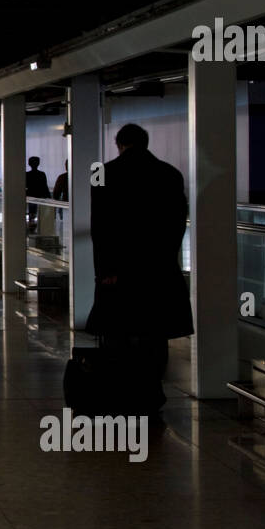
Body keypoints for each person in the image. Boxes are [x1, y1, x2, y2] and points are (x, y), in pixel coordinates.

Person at [85, 123, 193, 416]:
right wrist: (167, 259)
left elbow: (101, 227)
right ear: (145, 143)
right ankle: (151, 393)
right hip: (158, 270)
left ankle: (121, 391)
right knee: (155, 333)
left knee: (117, 331)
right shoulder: (170, 174)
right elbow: (176, 223)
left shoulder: (103, 173)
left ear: (119, 144)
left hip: (119, 270)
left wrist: (104, 270)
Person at [26, 156, 49, 226]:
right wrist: (48, 197)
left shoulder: (27, 174)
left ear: (29, 163)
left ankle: (32, 225)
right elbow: (45, 186)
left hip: (30, 196)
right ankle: (39, 226)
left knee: (32, 212)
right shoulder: (42, 174)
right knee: (40, 213)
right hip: (40, 196)